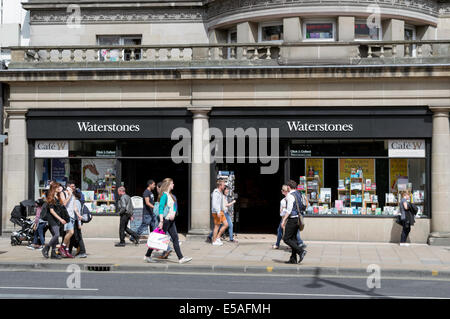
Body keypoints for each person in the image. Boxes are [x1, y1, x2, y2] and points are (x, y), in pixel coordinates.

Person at [144, 178, 192, 264]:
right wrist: (161, 222)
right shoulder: (164, 195)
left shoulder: (171, 195)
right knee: (157, 239)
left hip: (171, 221)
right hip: (165, 221)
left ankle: (181, 258)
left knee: (175, 238)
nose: (173, 185)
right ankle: (147, 256)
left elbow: (174, 205)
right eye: (172, 183)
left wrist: (173, 213)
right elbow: (161, 209)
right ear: (168, 185)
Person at [281, 180, 307, 264]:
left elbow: (289, 210)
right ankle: (293, 259)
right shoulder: (300, 194)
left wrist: (284, 220)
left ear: (288, 187)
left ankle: (301, 251)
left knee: (286, 239)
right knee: (294, 239)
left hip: (292, 219)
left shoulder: (290, 195)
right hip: (298, 219)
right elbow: (305, 204)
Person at [41, 183, 69, 260]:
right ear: (54, 188)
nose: (60, 188)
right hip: (52, 219)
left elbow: (63, 206)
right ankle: (46, 248)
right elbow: (52, 211)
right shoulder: (51, 197)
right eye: (58, 187)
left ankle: (53, 253)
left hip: (57, 219)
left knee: (55, 237)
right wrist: (61, 219)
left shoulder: (58, 196)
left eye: (60, 186)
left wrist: (69, 195)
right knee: (56, 235)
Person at [273, 185, 305, 250]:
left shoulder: (285, 200)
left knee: (284, 234)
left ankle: (299, 246)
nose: (281, 191)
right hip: (294, 217)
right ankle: (297, 245)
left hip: (288, 218)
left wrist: (284, 219)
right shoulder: (296, 196)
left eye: (282, 190)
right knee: (294, 232)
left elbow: (285, 211)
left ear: (285, 191)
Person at [69, 190, 87, 258]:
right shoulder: (76, 201)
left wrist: (79, 224)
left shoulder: (76, 202)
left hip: (76, 222)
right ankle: (69, 251)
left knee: (78, 238)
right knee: (72, 237)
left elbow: (78, 214)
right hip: (74, 222)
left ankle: (82, 252)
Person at [211, 180, 228, 246]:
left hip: (220, 211)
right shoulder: (216, 192)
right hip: (216, 212)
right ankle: (214, 241)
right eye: (223, 185)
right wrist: (218, 212)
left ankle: (218, 238)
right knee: (217, 226)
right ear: (220, 186)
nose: (224, 186)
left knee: (226, 224)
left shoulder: (220, 192)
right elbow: (214, 203)